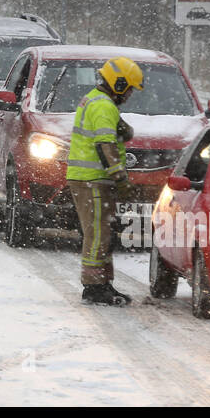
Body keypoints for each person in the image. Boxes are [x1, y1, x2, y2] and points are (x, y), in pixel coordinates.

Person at [64, 56, 144, 304]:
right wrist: (121, 178)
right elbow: (105, 145)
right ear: (118, 84)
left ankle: (103, 283)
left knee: (103, 232)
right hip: (92, 180)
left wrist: (123, 129)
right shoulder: (103, 106)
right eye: (129, 88)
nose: (130, 94)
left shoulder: (98, 101)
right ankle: (94, 287)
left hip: (91, 179)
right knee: (98, 233)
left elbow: (113, 134)